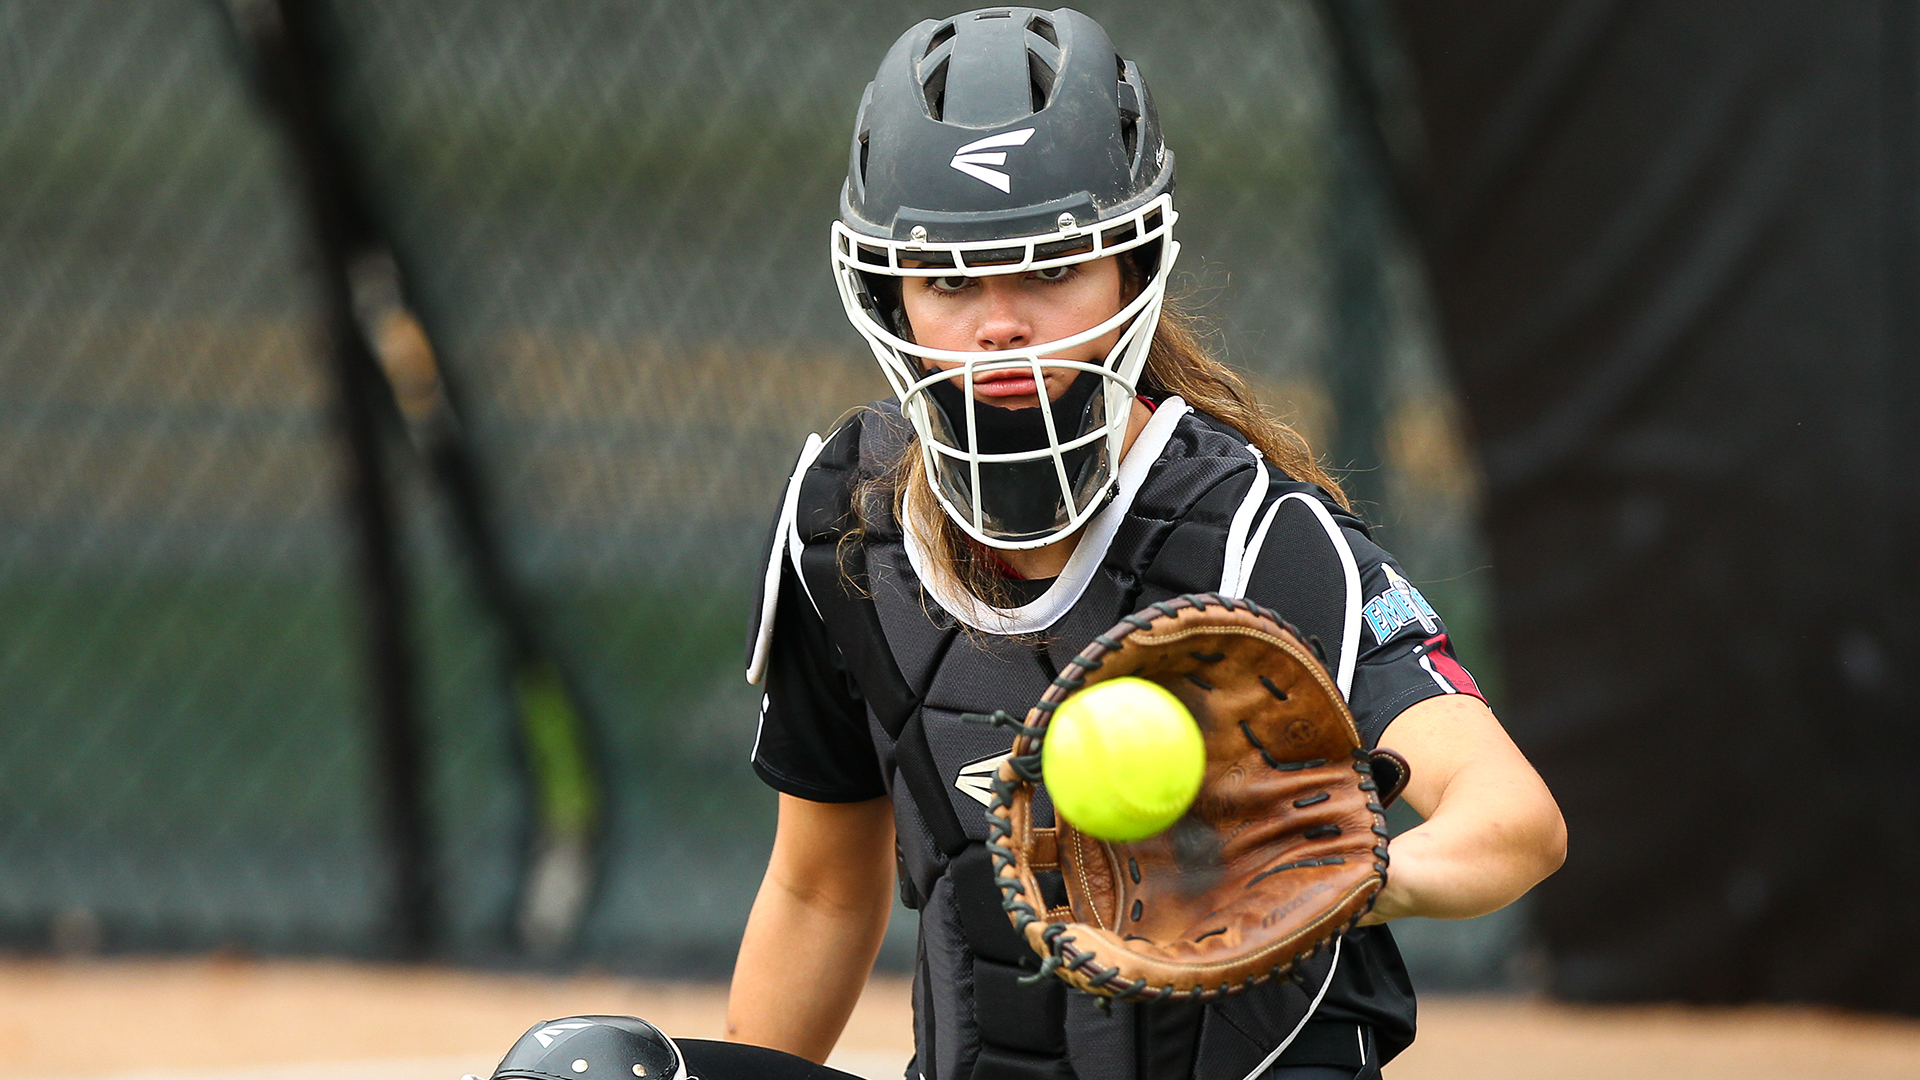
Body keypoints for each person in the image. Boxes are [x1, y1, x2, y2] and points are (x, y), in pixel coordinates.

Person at [727, 8, 1566, 1080]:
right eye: (948, 280)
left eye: (1047, 270)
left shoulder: (1253, 539)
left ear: (1131, 269)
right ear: (884, 286)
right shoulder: (850, 523)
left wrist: (1349, 877)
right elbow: (818, 889)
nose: (999, 325)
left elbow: (1515, 819)